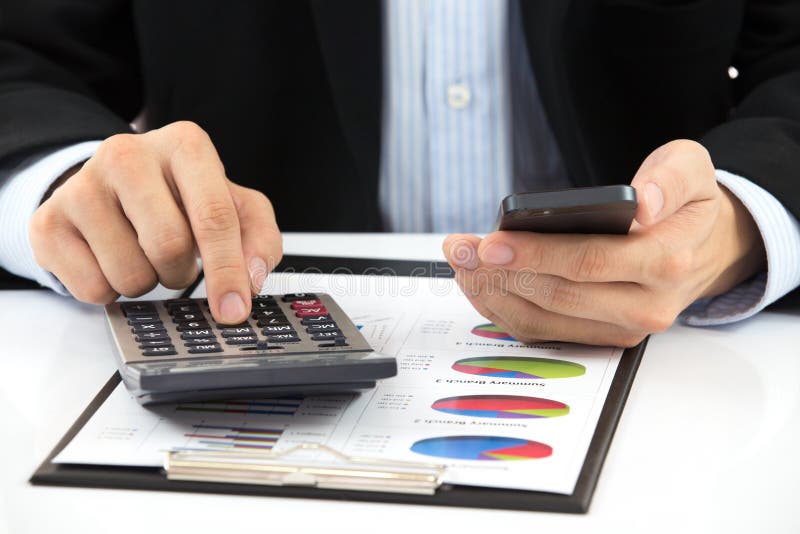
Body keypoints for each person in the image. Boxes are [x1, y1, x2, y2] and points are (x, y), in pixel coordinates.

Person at [0, 1, 798, 347]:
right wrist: (69, 189)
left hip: (687, 363)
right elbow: (22, 58)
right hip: (242, 329)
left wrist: (743, 220)